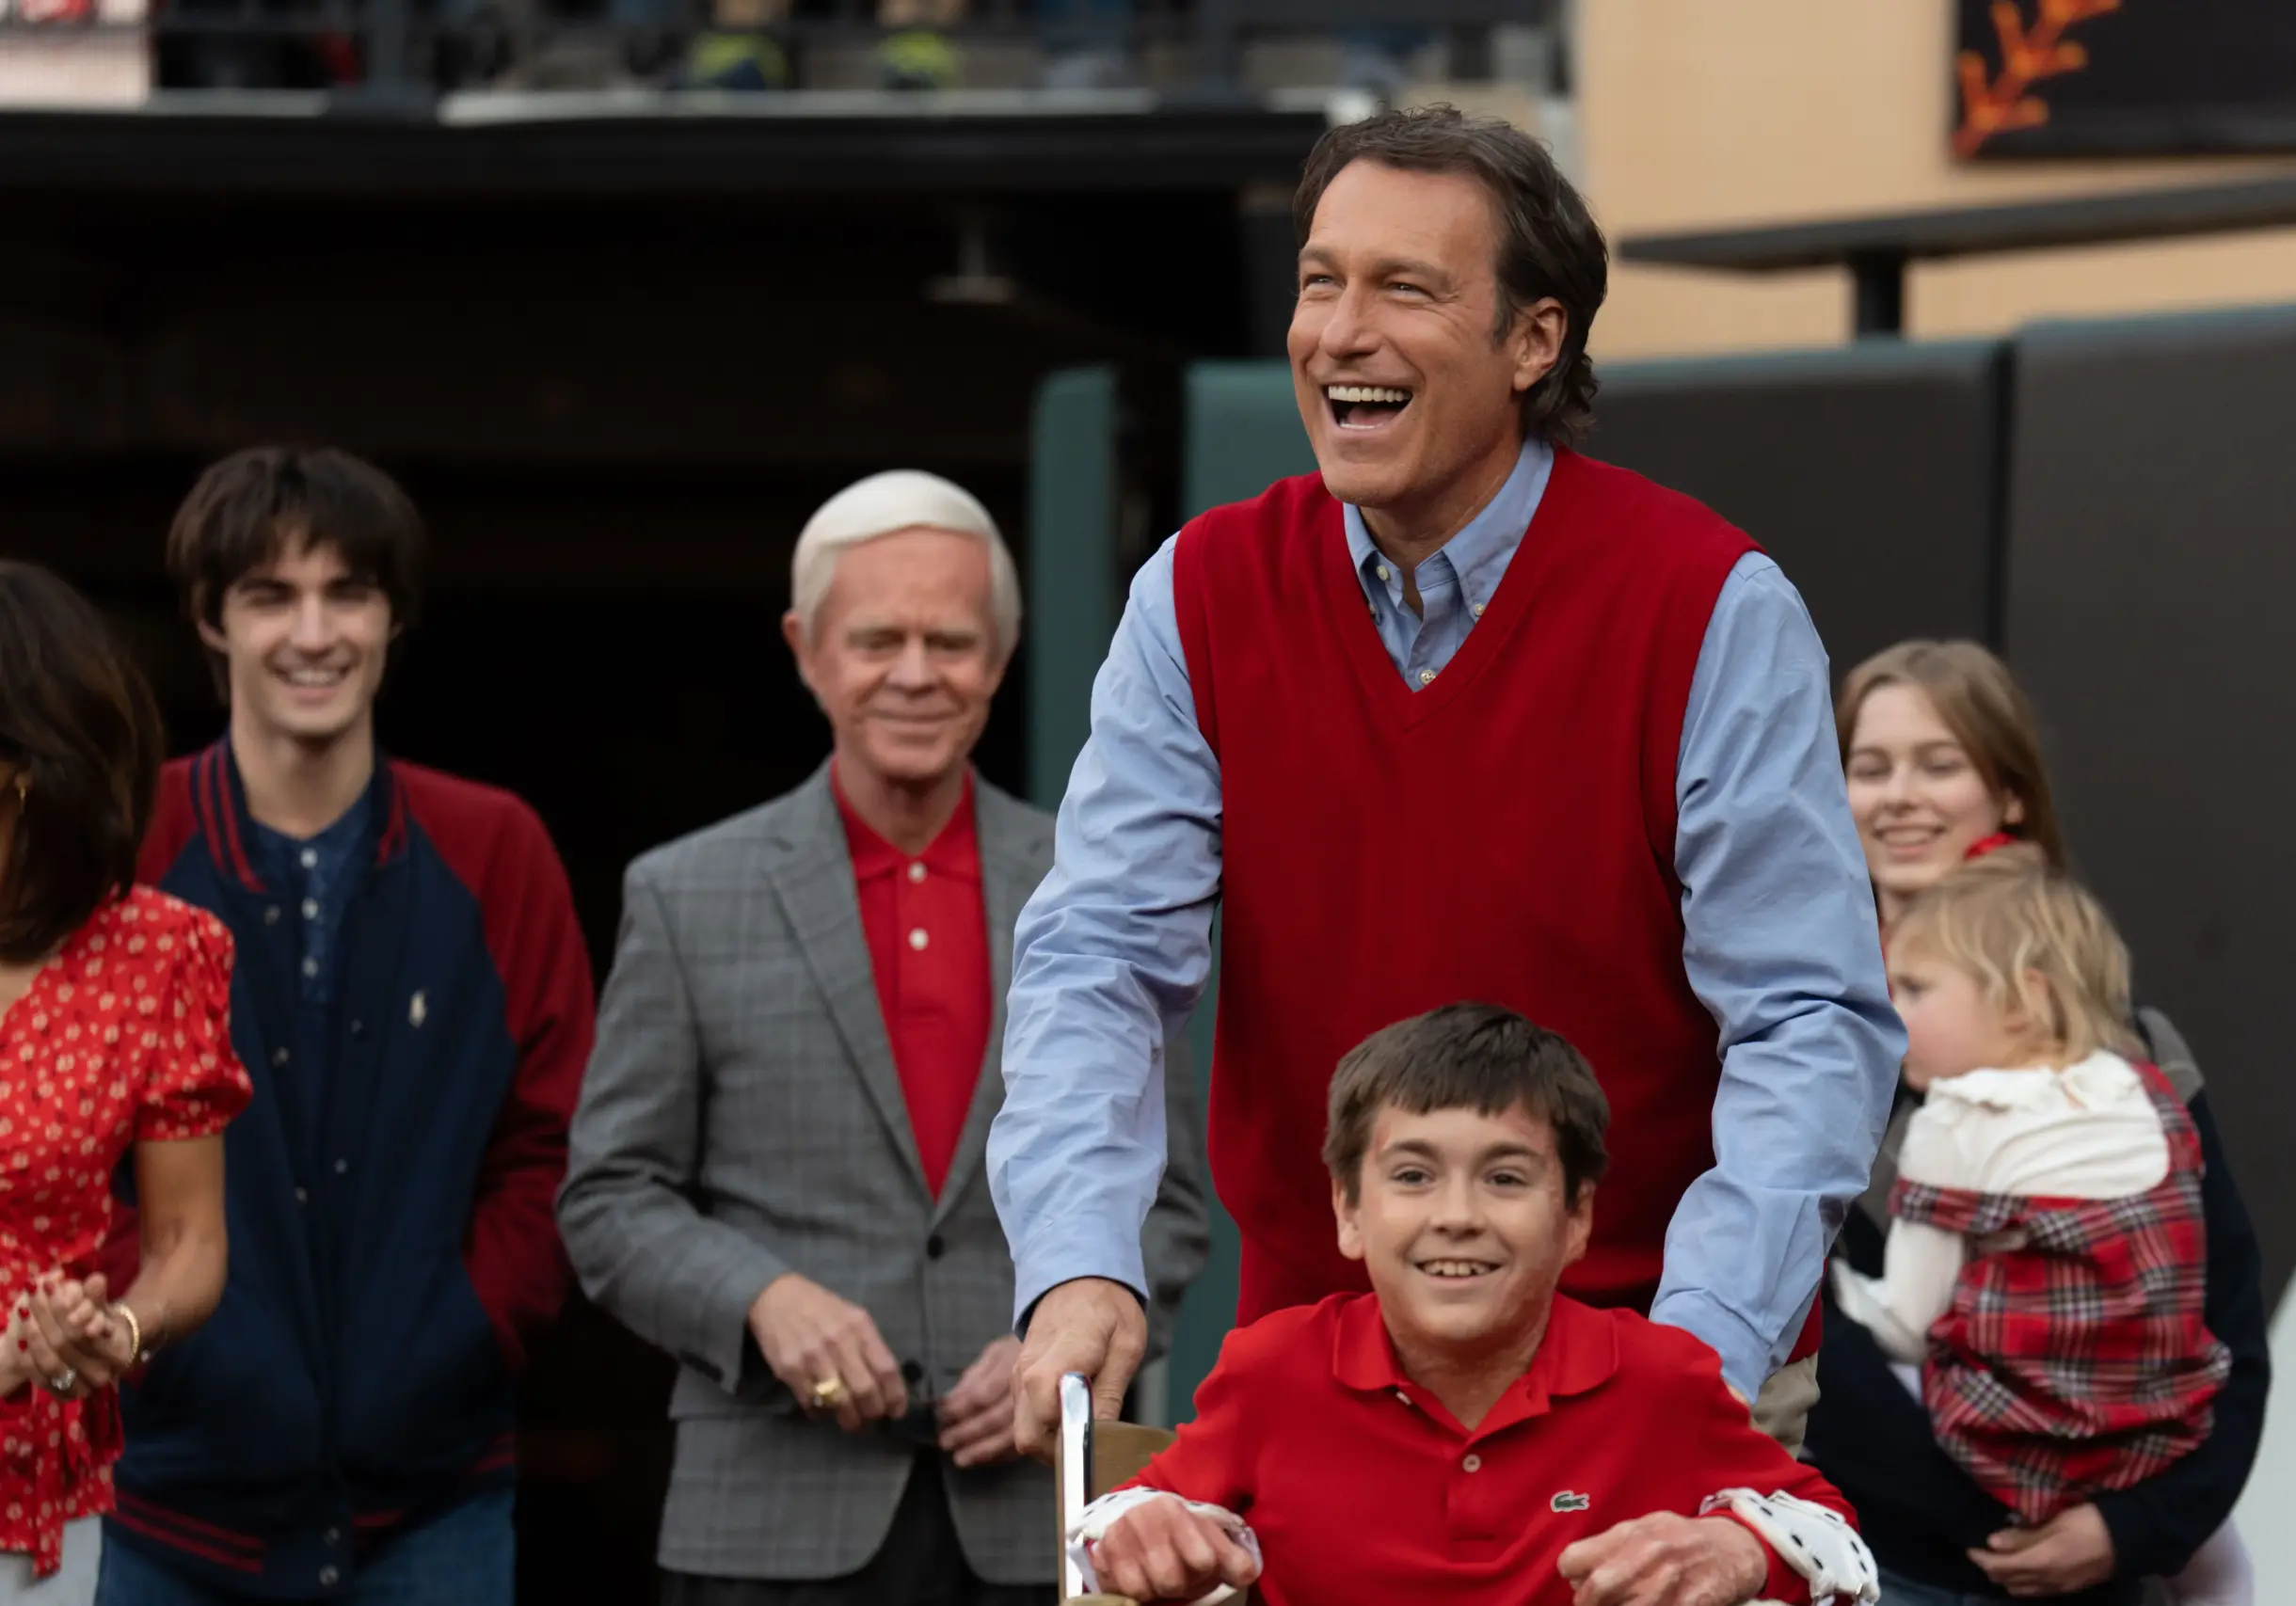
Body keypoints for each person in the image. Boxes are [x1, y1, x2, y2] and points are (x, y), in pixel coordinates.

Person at [992, 103, 1902, 1456]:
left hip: (1653, 1355)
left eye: (1405, 289)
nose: (1340, 332)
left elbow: (1805, 1020)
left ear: (1535, 340)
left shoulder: (1710, 605)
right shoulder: (1199, 594)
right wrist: (1076, 1260)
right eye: (1320, 282)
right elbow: (1100, 958)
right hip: (1314, 1370)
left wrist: (1691, 1354)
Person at [556, 470, 1210, 1606]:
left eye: (950, 641)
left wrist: (1064, 1319)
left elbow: (1175, 1199)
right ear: (807, 651)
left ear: (999, 657)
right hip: (767, 1522)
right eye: (876, 641)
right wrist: (763, 1301)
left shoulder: (1098, 893)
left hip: (1038, 1518)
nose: (915, 673)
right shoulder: (685, 894)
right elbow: (608, 1198)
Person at [100, 448, 597, 1604]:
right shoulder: (125, 847)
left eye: (348, 593)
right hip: (165, 1503)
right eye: (271, 596)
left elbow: (561, 1142)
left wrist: (462, 1334)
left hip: (434, 1499)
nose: (313, 633)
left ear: (393, 617)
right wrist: (168, 1347)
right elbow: (58, 1146)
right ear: (210, 619)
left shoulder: (497, 850)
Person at [1071, 1004, 1879, 1606]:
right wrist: (1141, 1531)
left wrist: (1741, 1551)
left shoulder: (1661, 1376)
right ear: (1349, 1211)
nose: (1456, 1214)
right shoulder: (1273, 1368)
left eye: (1505, 1177)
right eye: (1413, 1175)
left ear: (1576, 1217)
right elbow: (1116, 1521)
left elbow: (1839, 1544)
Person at [1809, 639, 2269, 1606]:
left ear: (2010, 793)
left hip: (2095, 1564)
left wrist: (2128, 1527)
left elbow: (2220, 1322)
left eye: (1940, 764)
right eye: (1869, 766)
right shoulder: (1792, 1035)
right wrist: (1985, 1518)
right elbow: (1791, 1321)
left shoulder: (2128, 1051)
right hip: (1873, 1560)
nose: (1899, 797)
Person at [0, 564, 251, 1602]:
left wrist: (119, 1330)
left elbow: (188, 1238)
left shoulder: (157, 953)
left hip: (27, 1498)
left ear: (24, 768)